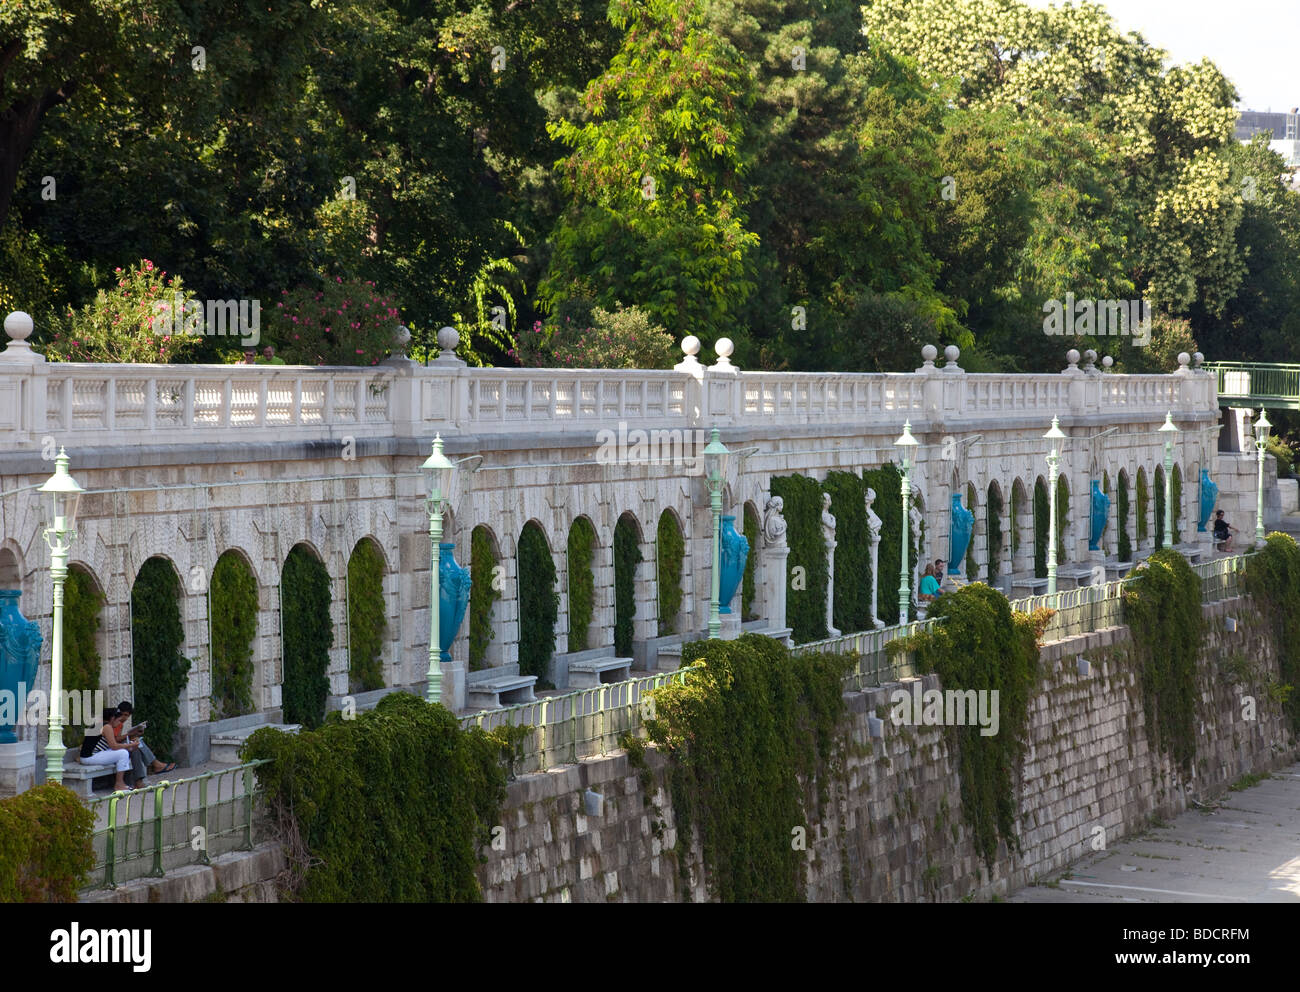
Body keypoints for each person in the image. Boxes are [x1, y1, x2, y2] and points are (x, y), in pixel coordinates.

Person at [117, 700, 176, 783]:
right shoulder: (115, 722)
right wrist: (129, 734)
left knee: (137, 743)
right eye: (124, 715)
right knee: (136, 745)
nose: (125, 718)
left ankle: (146, 775)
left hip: (118, 746)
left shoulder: (120, 723)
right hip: (113, 747)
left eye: (127, 716)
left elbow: (119, 738)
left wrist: (134, 733)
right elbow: (115, 740)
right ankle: (156, 765)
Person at [79, 708, 135, 792]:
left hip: (91, 756)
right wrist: (131, 745)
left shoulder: (100, 725)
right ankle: (119, 784)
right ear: (112, 718)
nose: (119, 723)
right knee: (123, 753)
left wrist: (129, 746)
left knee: (124, 752)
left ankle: (121, 783)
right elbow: (114, 746)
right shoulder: (106, 727)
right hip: (90, 757)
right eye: (119, 720)